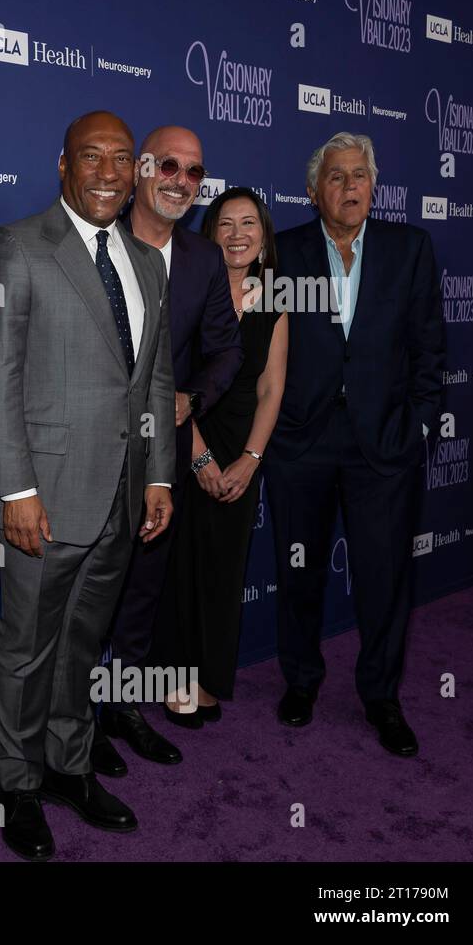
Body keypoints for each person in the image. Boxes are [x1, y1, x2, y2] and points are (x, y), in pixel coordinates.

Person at [0, 111, 176, 861]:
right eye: (90, 157)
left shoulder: (149, 262)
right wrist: (15, 490)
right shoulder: (18, 247)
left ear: (137, 174)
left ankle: (68, 764)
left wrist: (158, 474)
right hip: (46, 496)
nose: (106, 172)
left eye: (121, 159)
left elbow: (154, 379)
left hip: (122, 494)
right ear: (63, 165)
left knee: (81, 644)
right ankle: (19, 785)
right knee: (27, 648)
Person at [267, 132, 444, 756]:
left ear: (374, 186)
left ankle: (381, 696)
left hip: (384, 442)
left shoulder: (409, 248)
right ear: (314, 192)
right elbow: (260, 348)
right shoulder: (282, 251)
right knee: (298, 571)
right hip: (300, 442)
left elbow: (429, 349)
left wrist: (419, 423)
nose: (349, 187)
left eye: (359, 176)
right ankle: (301, 681)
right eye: (336, 177)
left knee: (384, 577)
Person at [96, 125, 242, 772]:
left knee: (141, 594)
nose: (181, 181)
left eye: (194, 173)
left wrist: (191, 400)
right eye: (169, 166)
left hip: (163, 459)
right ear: (141, 168)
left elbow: (226, 349)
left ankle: (123, 708)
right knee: (82, 599)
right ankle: (74, 725)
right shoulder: (95, 243)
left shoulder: (205, 260)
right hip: (91, 456)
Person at [152, 187, 287, 724]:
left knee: (223, 573)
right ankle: (172, 681)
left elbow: (272, 387)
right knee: (175, 567)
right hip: (183, 441)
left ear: (263, 234)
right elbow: (168, 381)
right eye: (225, 224)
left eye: (248, 223)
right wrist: (199, 457)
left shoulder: (277, 295)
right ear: (209, 236)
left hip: (243, 451)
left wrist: (251, 459)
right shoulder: (185, 290)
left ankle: (209, 678)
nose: (237, 235)